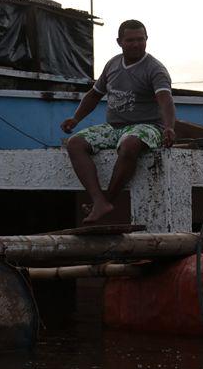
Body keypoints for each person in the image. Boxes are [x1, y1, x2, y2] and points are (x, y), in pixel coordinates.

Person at [61, 19, 176, 223]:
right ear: (119, 42)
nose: (136, 44)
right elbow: (94, 95)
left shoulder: (155, 69)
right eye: (130, 40)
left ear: (147, 39)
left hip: (147, 126)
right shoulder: (113, 64)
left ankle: (107, 200)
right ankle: (99, 201)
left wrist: (168, 127)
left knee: (130, 144)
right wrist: (76, 118)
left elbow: (165, 100)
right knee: (75, 143)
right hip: (114, 127)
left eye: (141, 39)